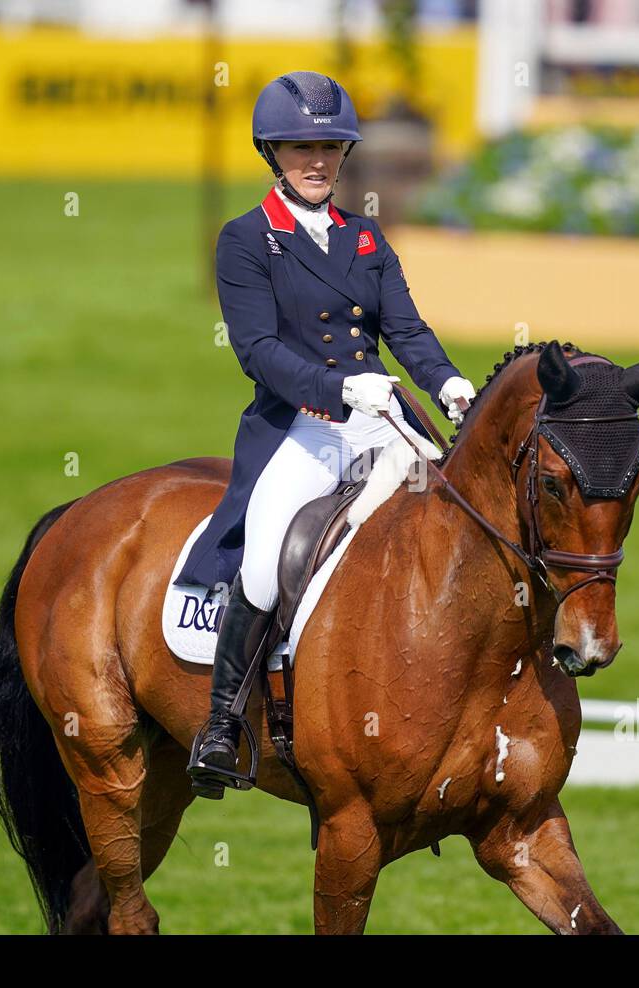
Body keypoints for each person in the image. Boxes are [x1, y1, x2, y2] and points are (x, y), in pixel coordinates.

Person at [178, 71, 476, 798]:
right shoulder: (247, 241)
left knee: (458, 518)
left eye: (330, 147)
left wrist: (447, 384)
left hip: (385, 423)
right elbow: (258, 352)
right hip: (299, 430)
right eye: (300, 146)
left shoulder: (366, 236)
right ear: (272, 152)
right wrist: (341, 387)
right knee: (265, 553)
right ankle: (222, 724)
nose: (316, 160)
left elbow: (405, 329)